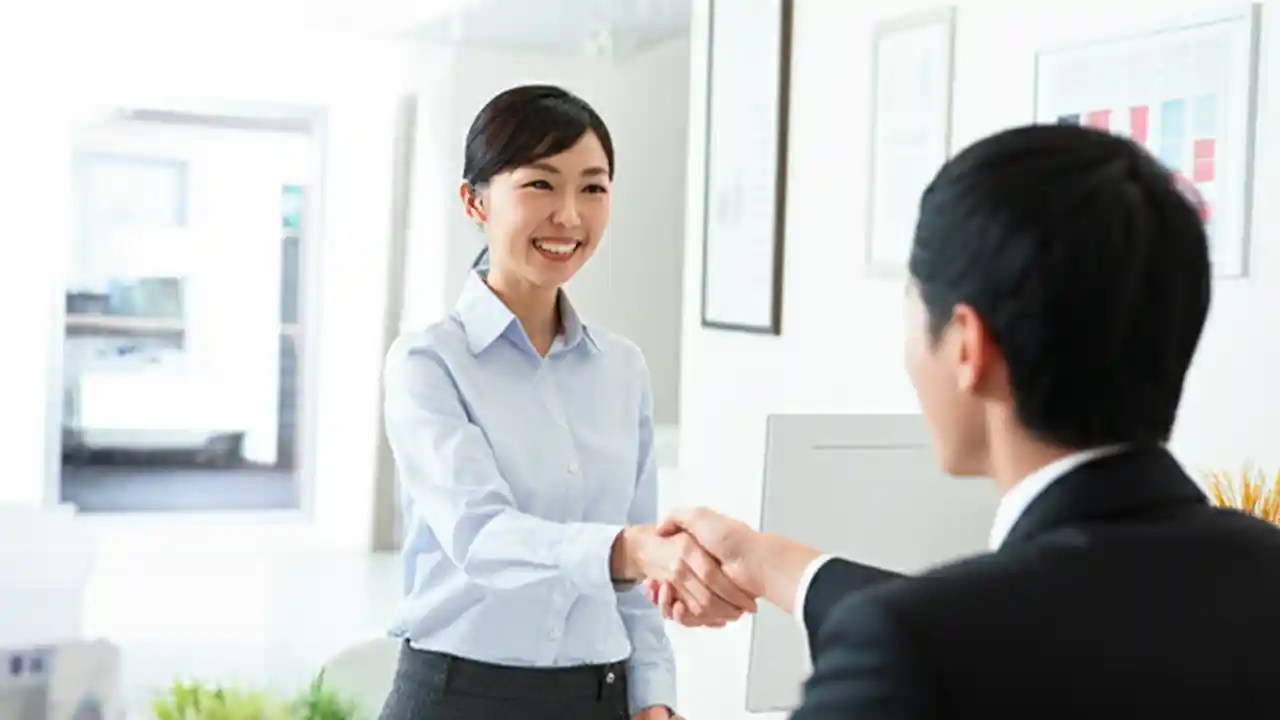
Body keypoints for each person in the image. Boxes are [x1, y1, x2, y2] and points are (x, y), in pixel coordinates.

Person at [648, 124, 1280, 717]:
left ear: (967, 347)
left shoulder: (912, 652)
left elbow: (968, 634)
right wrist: (768, 561)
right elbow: (1045, 618)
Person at [379, 85, 753, 720]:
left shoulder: (622, 368)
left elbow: (633, 577)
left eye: (593, 188)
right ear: (474, 200)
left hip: (599, 699)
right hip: (461, 699)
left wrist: (654, 697)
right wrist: (629, 550)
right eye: (540, 185)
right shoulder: (429, 363)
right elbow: (482, 535)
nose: (570, 217)